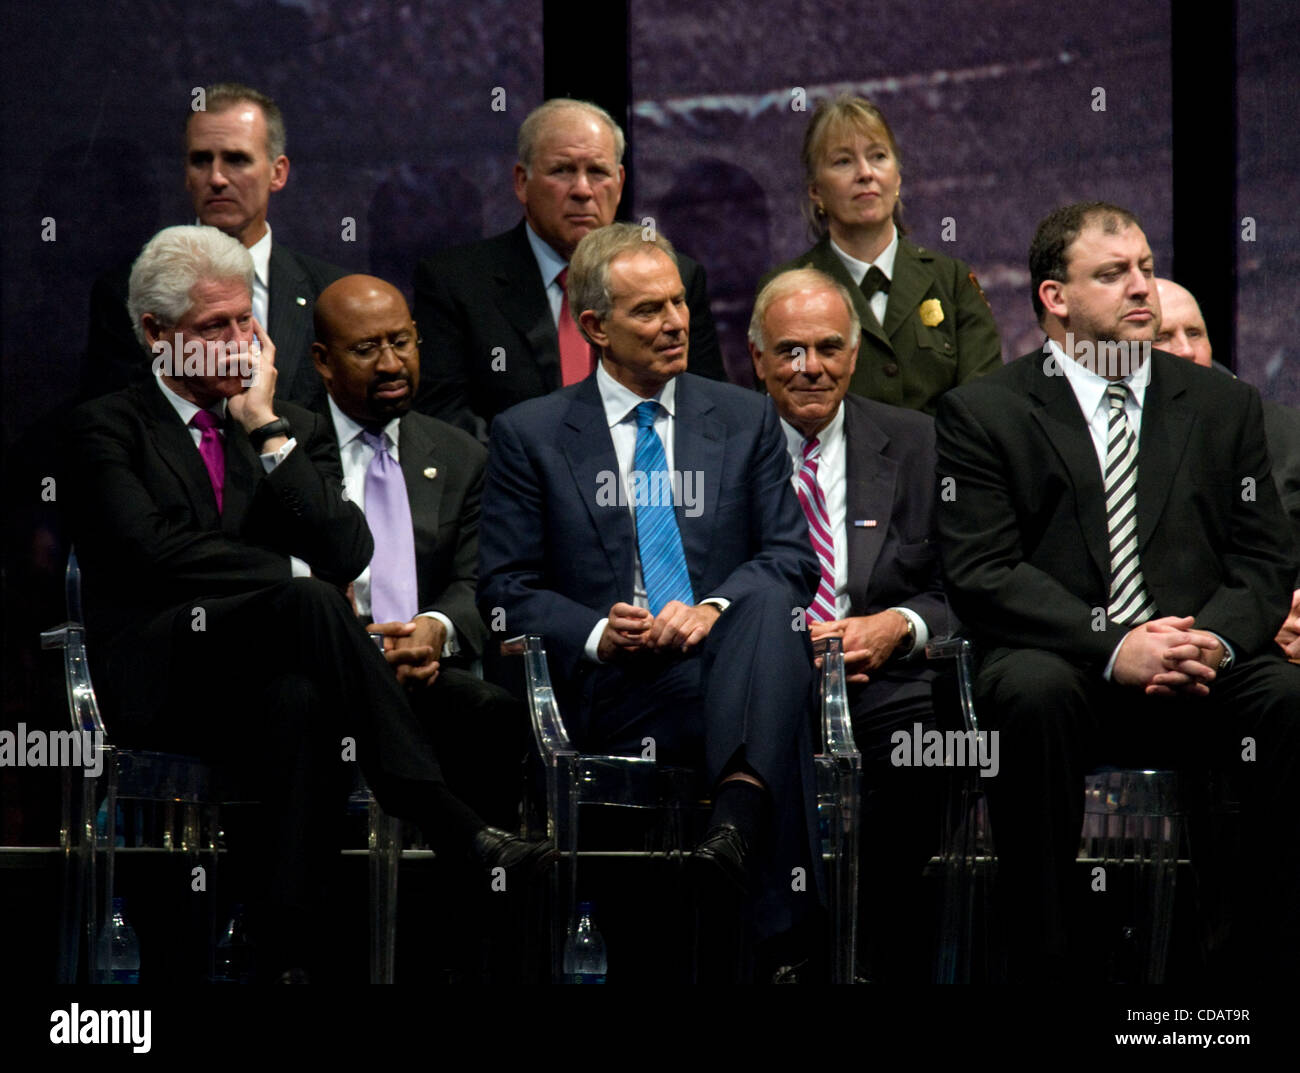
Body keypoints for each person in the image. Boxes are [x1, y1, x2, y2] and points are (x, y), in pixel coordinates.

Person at [62, 226, 550, 980]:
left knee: (312, 700)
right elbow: (149, 552)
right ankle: (450, 821)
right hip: (159, 676)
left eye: (243, 320)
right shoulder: (107, 426)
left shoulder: (288, 423)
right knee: (310, 603)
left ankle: (287, 945)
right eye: (212, 327)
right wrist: (284, 571)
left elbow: (349, 549)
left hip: (262, 682)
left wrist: (262, 427)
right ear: (156, 334)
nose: (236, 340)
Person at [934, 202, 1299, 980]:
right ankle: (1050, 961)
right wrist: (1115, 645)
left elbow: (1266, 560)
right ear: (1054, 298)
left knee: (1286, 697)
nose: (1143, 289)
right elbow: (983, 571)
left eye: (1143, 266)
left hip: (1201, 662)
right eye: (1112, 274)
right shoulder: (985, 413)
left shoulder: (1220, 404)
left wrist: (1213, 639)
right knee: (1030, 693)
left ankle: (1244, 971)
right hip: (1066, 663)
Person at [477, 223, 823, 973]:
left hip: (725, 660)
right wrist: (603, 630)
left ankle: (730, 831)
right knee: (781, 701)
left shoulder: (743, 416)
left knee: (763, 604)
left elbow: (793, 557)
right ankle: (777, 939)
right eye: (648, 311)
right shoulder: (529, 434)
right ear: (594, 325)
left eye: (678, 303)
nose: (674, 323)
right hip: (617, 686)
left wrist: (710, 611)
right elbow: (504, 590)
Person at [748, 266, 952, 981]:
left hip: (886, 682)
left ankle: (876, 960)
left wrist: (895, 624)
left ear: (856, 354)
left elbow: (962, 588)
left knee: (929, 752)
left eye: (830, 347)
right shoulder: (719, 450)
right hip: (763, 680)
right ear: (758, 359)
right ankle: (783, 955)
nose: (811, 368)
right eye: (791, 351)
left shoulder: (920, 442)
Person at [310, 273, 529, 831]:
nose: (390, 364)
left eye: (401, 343)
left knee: (491, 713)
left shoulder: (461, 455)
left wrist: (435, 627)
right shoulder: (290, 445)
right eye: (365, 350)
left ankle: (484, 893)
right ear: (322, 360)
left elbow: (479, 577)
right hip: (324, 675)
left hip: (426, 675)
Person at [412, 98, 725, 437]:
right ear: (521, 181)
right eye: (562, 170)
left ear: (620, 182)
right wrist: (537, 473)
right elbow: (445, 422)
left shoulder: (678, 278)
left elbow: (704, 407)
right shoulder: (456, 284)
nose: (582, 190)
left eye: (597, 171)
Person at [85, 83, 345, 406]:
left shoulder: (330, 296)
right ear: (186, 173)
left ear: (278, 173)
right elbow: (115, 423)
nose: (217, 178)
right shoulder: (125, 296)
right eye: (201, 160)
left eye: (236, 160)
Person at [759, 95, 1002, 417]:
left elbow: (984, 404)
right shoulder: (786, 291)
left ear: (897, 177)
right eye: (843, 161)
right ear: (816, 191)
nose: (865, 173)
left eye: (878, 156)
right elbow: (779, 409)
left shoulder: (951, 281)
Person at [1154, 277, 1300, 659]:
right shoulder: (1107, 447)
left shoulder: (1287, 433)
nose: (1186, 350)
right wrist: (1260, 619)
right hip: (1188, 643)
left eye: (1195, 333)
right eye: (1163, 336)